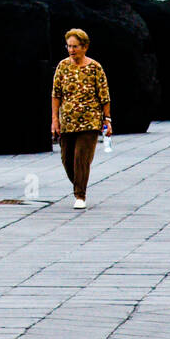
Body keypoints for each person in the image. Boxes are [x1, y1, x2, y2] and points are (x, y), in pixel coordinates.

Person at [51, 28, 112, 209]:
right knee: (67, 160)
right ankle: (78, 182)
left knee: (81, 158)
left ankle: (80, 194)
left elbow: (104, 96)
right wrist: (55, 119)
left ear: (84, 47)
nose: (71, 50)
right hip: (68, 121)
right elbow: (56, 94)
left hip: (90, 121)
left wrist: (107, 120)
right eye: (69, 46)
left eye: (75, 46)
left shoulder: (95, 68)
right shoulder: (62, 66)